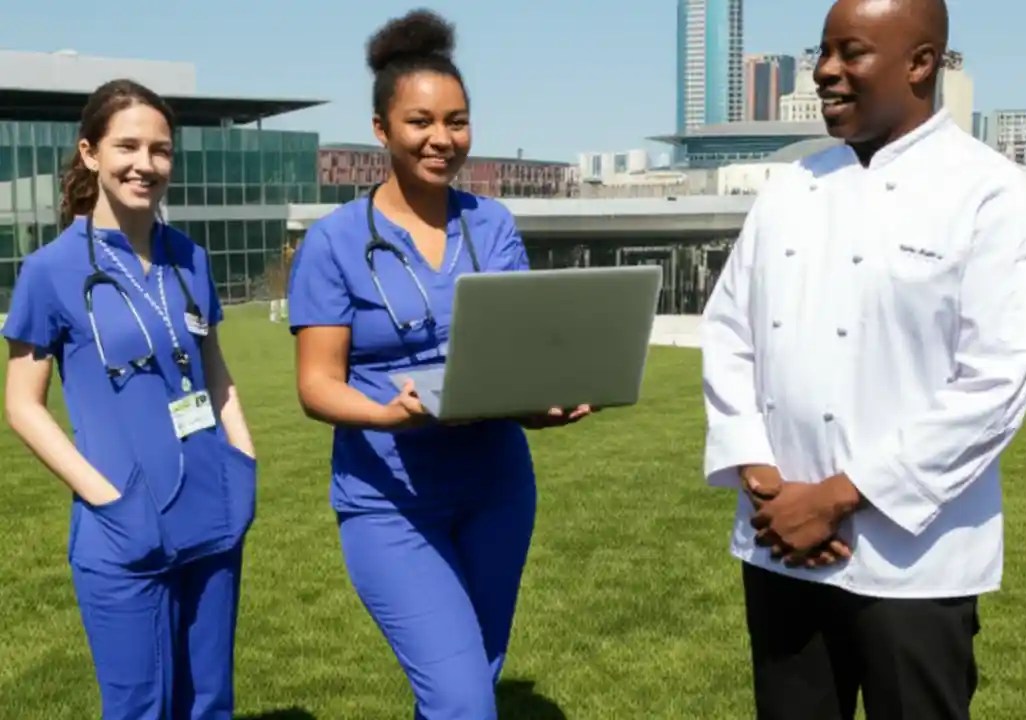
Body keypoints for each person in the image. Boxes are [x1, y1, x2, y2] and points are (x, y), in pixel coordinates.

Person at [699, 0, 1026, 718]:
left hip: (915, 562)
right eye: (822, 52)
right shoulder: (789, 189)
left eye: (850, 52)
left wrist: (836, 497)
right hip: (780, 544)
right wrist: (762, 477)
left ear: (920, 64)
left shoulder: (992, 195)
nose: (824, 71)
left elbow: (994, 385)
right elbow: (730, 331)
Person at [286, 10, 589, 719]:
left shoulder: (493, 225)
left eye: (457, 121)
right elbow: (316, 384)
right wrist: (386, 414)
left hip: (495, 489)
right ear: (381, 128)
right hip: (390, 499)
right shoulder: (334, 243)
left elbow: (516, 355)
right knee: (462, 700)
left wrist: (541, 407)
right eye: (420, 121)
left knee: (473, 682)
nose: (441, 139)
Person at [2, 79, 257, 719]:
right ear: (90, 154)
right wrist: (106, 499)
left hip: (215, 513)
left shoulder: (189, 258)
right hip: (123, 530)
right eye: (128, 147)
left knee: (210, 705)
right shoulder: (50, 271)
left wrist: (242, 462)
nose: (146, 164)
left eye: (160, 150)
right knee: (139, 709)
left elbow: (215, 372)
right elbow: (23, 405)